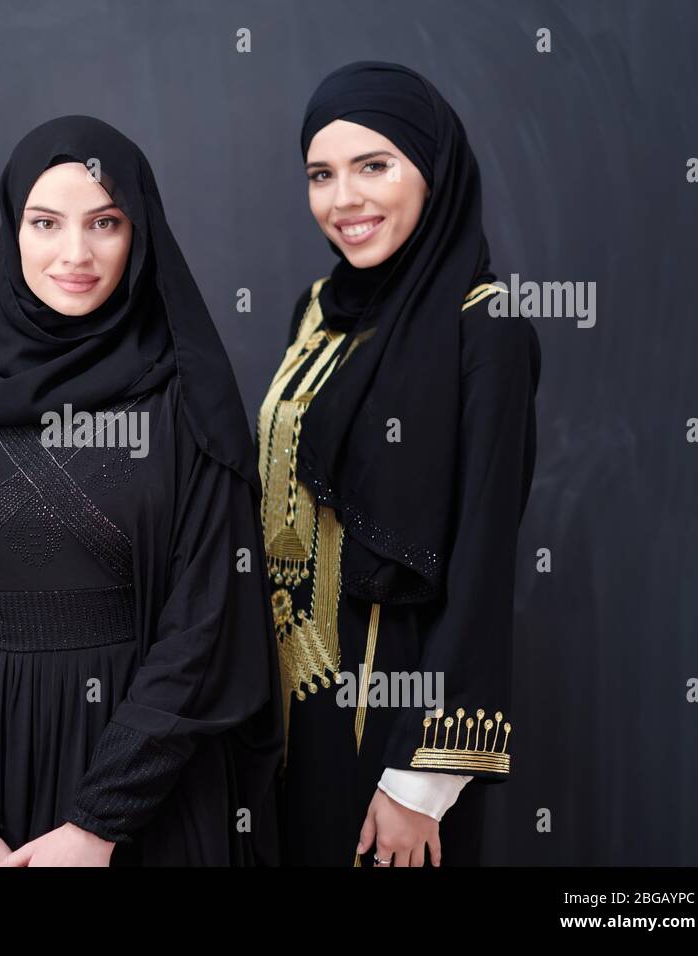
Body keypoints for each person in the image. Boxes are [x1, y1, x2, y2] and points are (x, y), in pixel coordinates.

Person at [0, 115, 284, 866]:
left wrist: (97, 824)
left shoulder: (187, 402)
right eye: (46, 223)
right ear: (13, 232)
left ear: (140, 235)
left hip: (154, 791)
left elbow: (206, 627)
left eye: (105, 222)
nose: (76, 253)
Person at [258, 62, 541, 866]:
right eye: (321, 175)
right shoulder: (317, 310)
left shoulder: (488, 329)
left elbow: (483, 563)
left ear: (433, 171)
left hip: (393, 723)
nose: (343, 199)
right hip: (282, 702)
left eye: (373, 166)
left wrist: (423, 780)